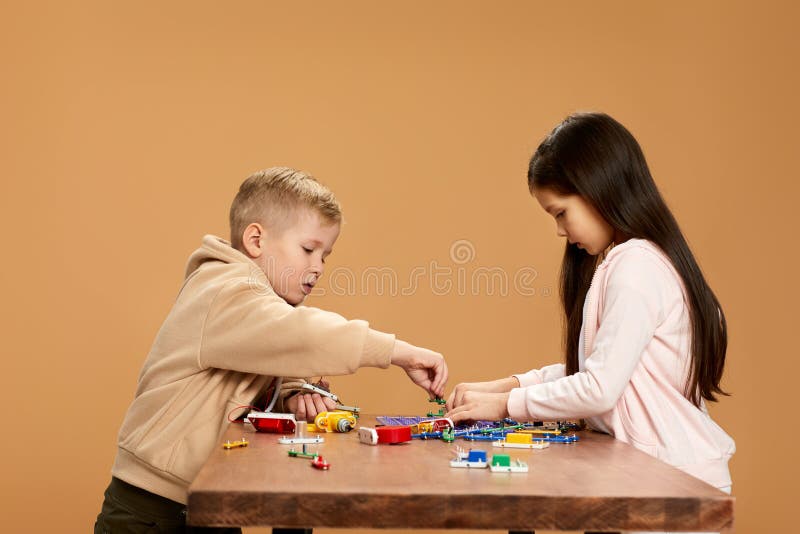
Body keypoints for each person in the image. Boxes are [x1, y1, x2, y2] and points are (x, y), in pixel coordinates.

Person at [95, 167, 448, 533]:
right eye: (308, 249)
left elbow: (253, 372)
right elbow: (301, 334)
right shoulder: (224, 291)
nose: (318, 267)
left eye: (325, 256)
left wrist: (291, 395)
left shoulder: (260, 309)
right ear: (256, 241)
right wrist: (396, 351)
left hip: (210, 496)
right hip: (153, 507)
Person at [447, 112, 735, 498]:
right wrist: (508, 386)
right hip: (661, 477)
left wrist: (504, 405)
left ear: (598, 189)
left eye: (561, 213)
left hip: (674, 484)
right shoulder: (639, 260)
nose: (559, 230)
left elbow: (599, 387)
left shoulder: (637, 266)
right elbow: (605, 369)